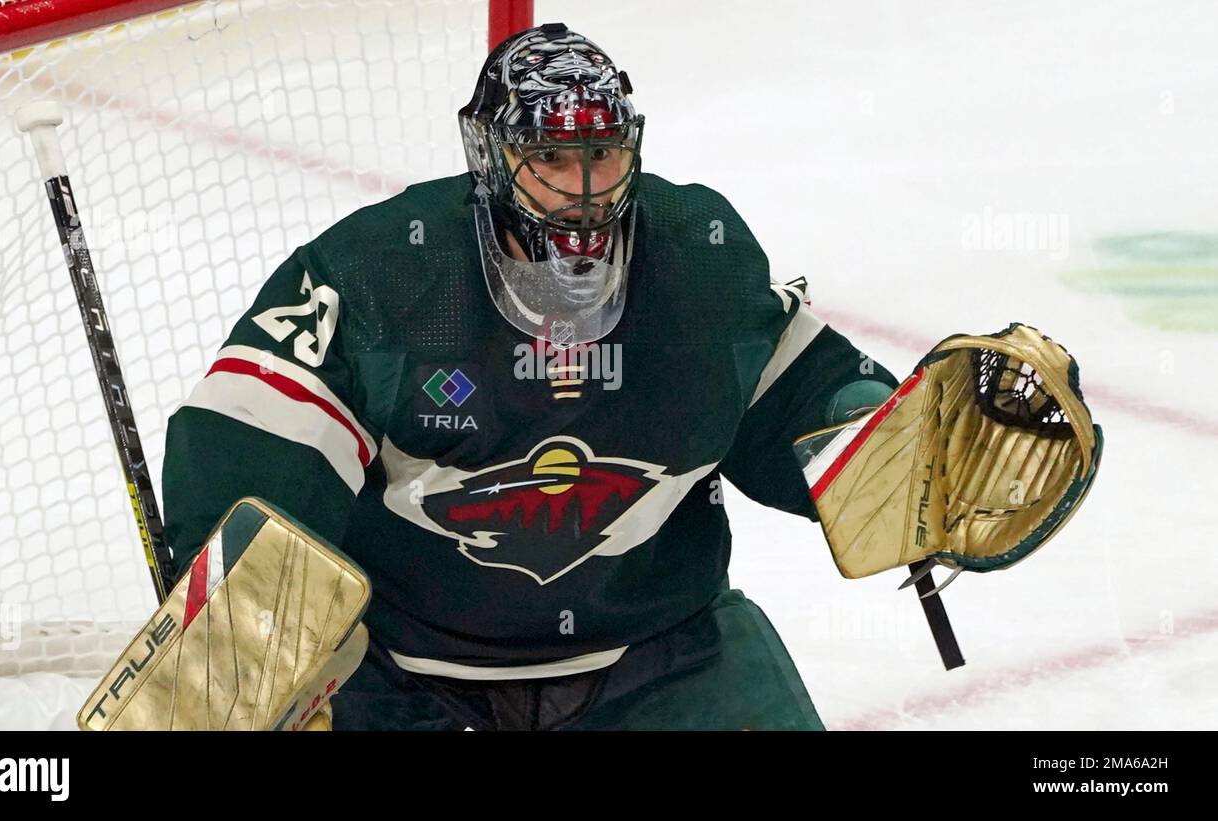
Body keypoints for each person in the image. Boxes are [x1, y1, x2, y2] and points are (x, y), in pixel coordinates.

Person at [161, 22, 899, 730]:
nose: (584, 186)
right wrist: (237, 617)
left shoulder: (696, 257)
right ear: (489, 153)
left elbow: (803, 406)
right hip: (404, 669)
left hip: (657, 654)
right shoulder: (385, 273)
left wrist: (900, 444)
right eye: (548, 158)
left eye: (602, 152)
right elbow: (255, 438)